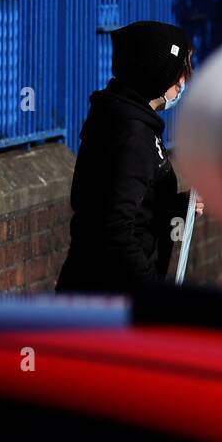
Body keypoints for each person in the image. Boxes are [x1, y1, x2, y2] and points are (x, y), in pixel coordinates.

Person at [57, 20, 203, 294]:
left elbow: (132, 203)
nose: (185, 80)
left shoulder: (133, 123)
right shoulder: (131, 133)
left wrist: (176, 206)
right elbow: (115, 230)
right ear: (158, 72)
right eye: (182, 71)